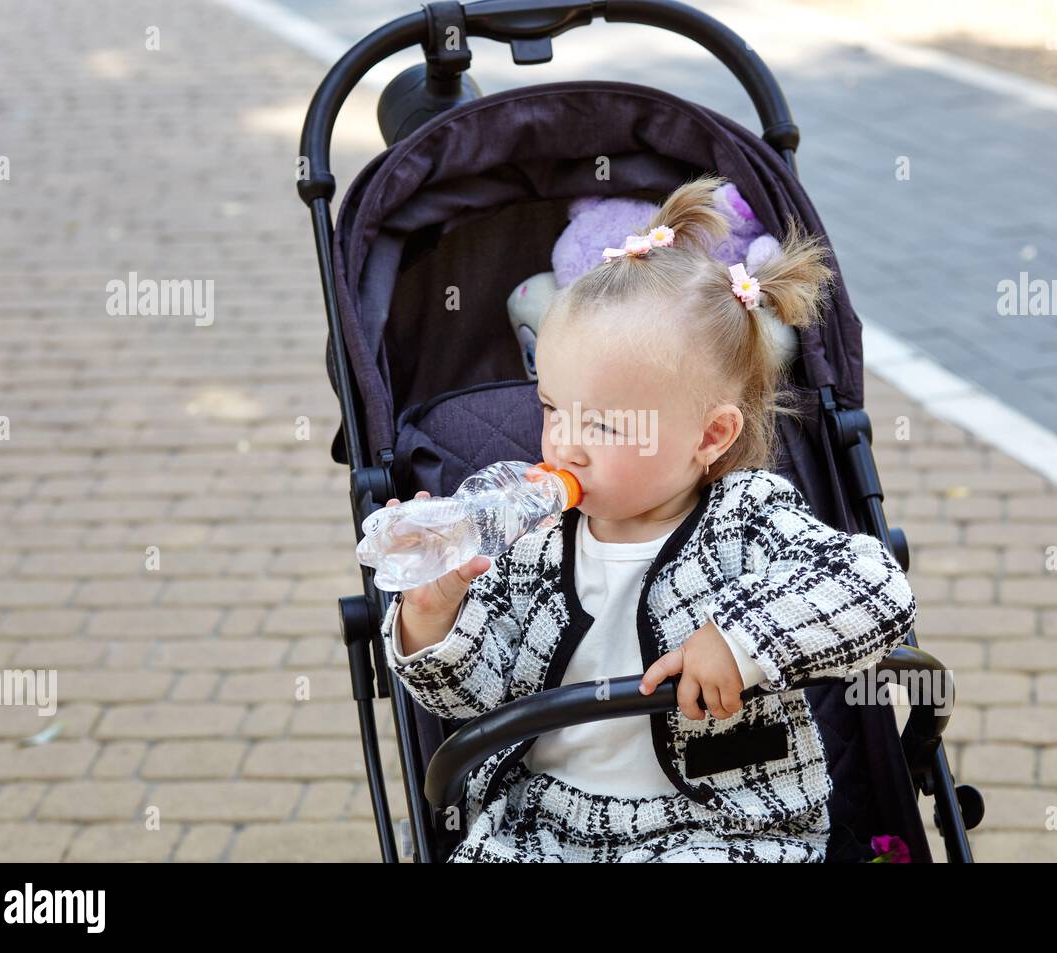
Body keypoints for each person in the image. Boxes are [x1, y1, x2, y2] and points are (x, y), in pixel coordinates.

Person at [379, 173, 917, 862]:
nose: (561, 443)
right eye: (550, 408)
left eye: (600, 425)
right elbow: (467, 694)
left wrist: (745, 640)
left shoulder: (747, 517)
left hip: (715, 828)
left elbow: (877, 589)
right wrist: (434, 615)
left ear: (710, 436)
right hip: (544, 825)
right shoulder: (525, 538)